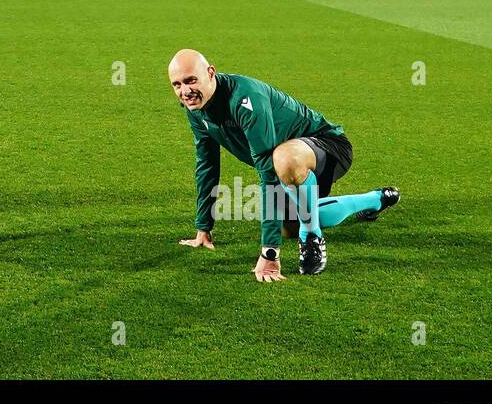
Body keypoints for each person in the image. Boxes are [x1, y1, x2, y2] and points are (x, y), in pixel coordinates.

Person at [169, 49, 399, 280]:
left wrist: (270, 252)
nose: (185, 91)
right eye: (177, 84)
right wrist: (203, 227)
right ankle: (376, 199)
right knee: (288, 227)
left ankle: (311, 239)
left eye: (191, 80)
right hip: (288, 165)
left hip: (328, 149)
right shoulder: (196, 107)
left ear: (210, 73)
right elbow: (207, 164)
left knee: (283, 158)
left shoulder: (245, 99)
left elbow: (268, 172)